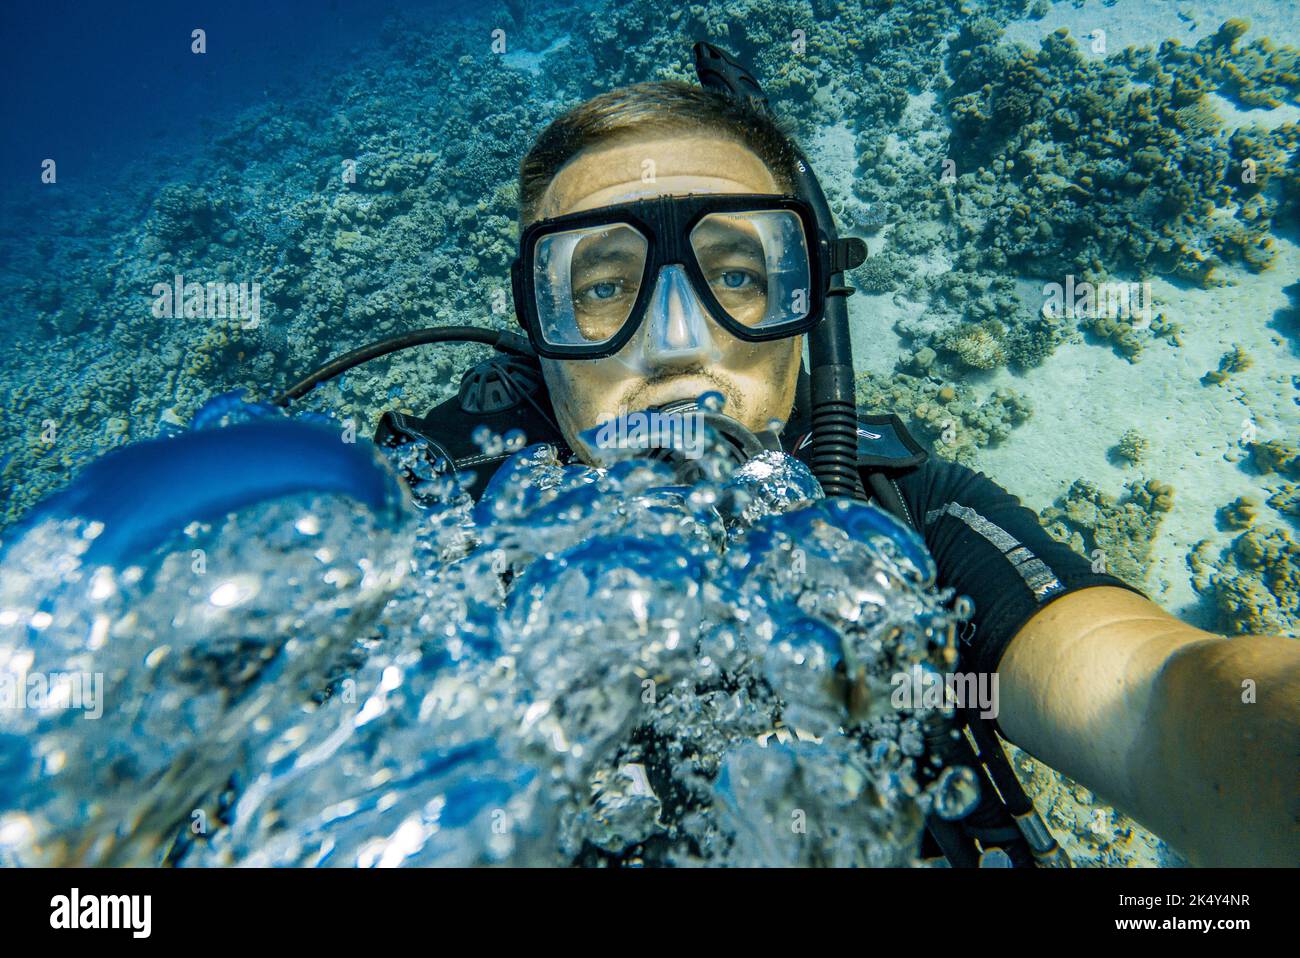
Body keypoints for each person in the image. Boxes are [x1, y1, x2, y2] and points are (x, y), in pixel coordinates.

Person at [375, 80, 1299, 867]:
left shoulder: (910, 517)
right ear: (538, 327)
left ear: (808, 298)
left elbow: (1152, 702)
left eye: (735, 274)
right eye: (604, 286)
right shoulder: (426, 523)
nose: (675, 340)